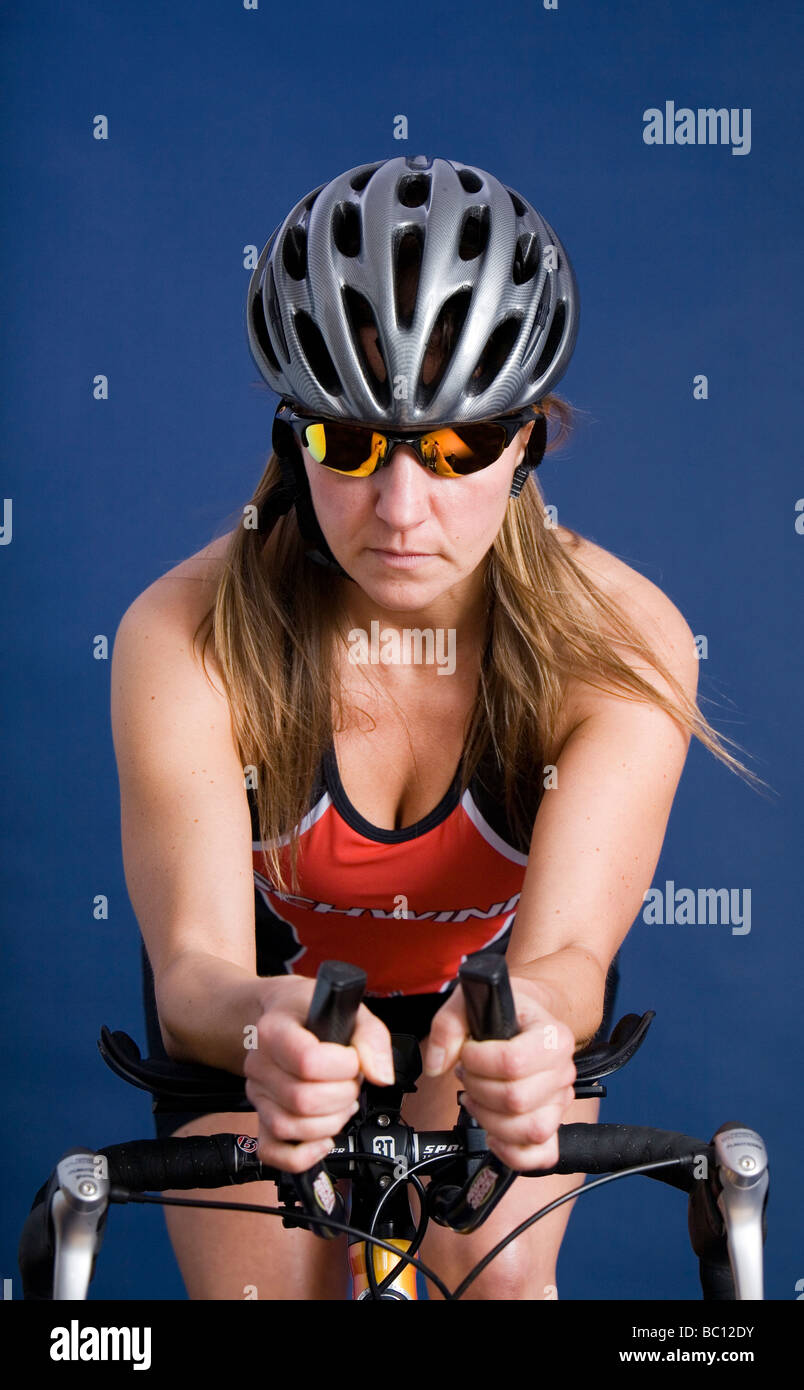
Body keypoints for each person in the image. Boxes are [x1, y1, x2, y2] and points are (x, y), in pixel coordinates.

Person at [111, 154, 759, 1300]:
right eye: (351, 444)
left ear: (528, 441)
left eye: (458, 447)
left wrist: (535, 1027)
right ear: (293, 437)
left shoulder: (622, 642)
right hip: (267, 1012)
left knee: (491, 1285)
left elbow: (567, 961)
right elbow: (195, 974)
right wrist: (263, 1025)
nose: (401, 510)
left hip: (496, 1011)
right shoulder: (183, 635)